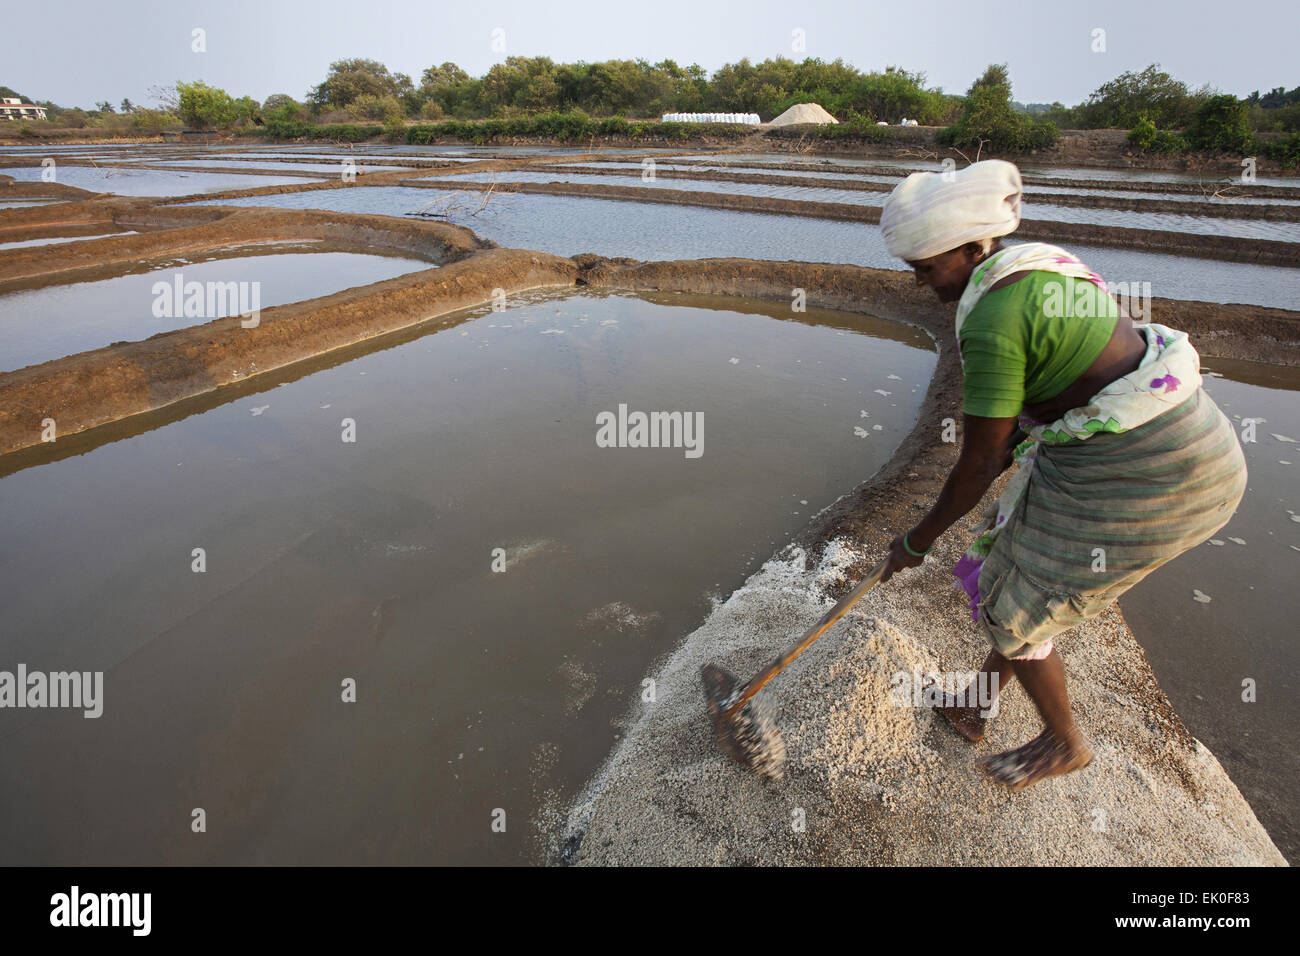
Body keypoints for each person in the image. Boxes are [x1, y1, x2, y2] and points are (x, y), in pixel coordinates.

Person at [876, 159, 1247, 791]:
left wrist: (917, 538)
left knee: (1025, 601)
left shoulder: (994, 320)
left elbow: (982, 461)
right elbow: (1054, 386)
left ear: (971, 247)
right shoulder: (1035, 265)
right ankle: (975, 705)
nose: (921, 284)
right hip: (1160, 440)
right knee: (1008, 563)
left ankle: (1063, 741)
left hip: (1153, 474)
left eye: (928, 268)